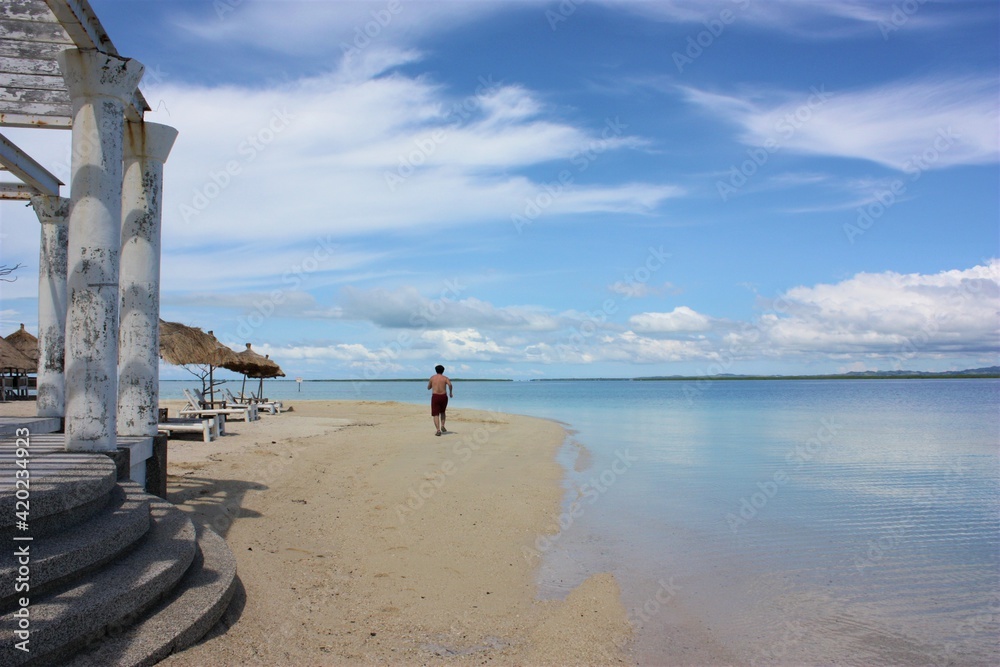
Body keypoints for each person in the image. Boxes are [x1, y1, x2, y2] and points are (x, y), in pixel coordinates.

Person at [427, 364, 453, 436]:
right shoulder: (445, 378)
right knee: (442, 412)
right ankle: (442, 425)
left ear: (436, 370)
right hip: (443, 396)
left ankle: (438, 430)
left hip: (435, 396)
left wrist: (431, 386)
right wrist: (450, 392)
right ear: (443, 371)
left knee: (435, 414)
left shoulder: (432, 378)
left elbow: (429, 387)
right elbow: (450, 385)